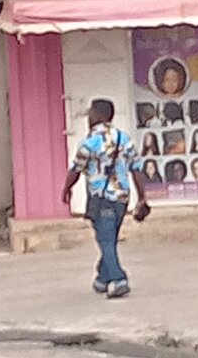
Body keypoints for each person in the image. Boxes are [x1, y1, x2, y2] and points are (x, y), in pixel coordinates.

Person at [62, 98, 149, 299]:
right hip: (121, 198)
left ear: (97, 115)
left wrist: (66, 189)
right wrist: (142, 197)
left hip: (101, 199)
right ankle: (102, 279)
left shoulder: (89, 142)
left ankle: (119, 279)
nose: (88, 117)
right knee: (109, 239)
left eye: (90, 113)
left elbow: (75, 169)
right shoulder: (124, 138)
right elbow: (136, 169)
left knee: (105, 239)